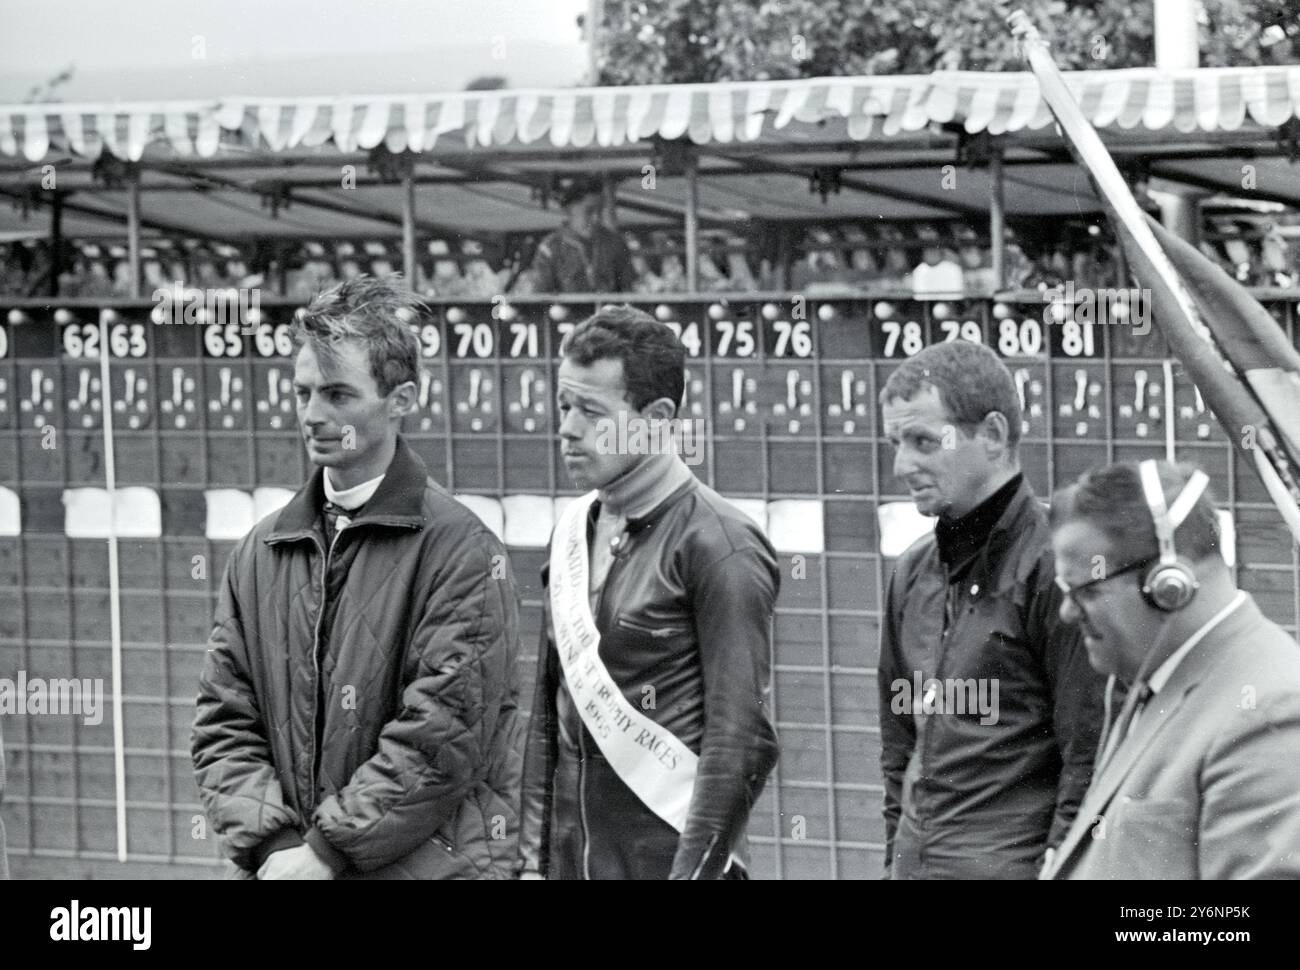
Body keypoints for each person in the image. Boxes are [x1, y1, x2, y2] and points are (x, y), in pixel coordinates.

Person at [192, 275, 523, 880]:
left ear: (401, 399)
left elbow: (441, 735)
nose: (313, 414)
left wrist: (324, 854)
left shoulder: (463, 550)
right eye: (303, 393)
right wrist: (276, 850)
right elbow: (223, 722)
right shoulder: (259, 552)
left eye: (338, 395)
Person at [517, 304, 779, 879]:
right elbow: (546, 721)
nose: (567, 428)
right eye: (564, 406)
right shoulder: (571, 531)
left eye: (591, 411)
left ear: (656, 418)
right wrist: (531, 867)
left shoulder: (720, 543)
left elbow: (741, 741)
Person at [878, 340, 1107, 879]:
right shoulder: (912, 572)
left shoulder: (1058, 568)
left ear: (994, 435)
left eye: (923, 441)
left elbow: (1090, 756)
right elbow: (898, 748)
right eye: (895, 443)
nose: (902, 465)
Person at [1043, 460, 1300, 879]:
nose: (1067, 612)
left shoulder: (1269, 710)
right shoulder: (1163, 679)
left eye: (1086, 591)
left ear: (1169, 584)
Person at [528, 177, 636, 293]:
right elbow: (540, 295)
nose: (596, 218)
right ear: (569, 209)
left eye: (600, 211)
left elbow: (629, 290)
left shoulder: (615, 244)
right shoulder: (551, 248)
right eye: (589, 211)